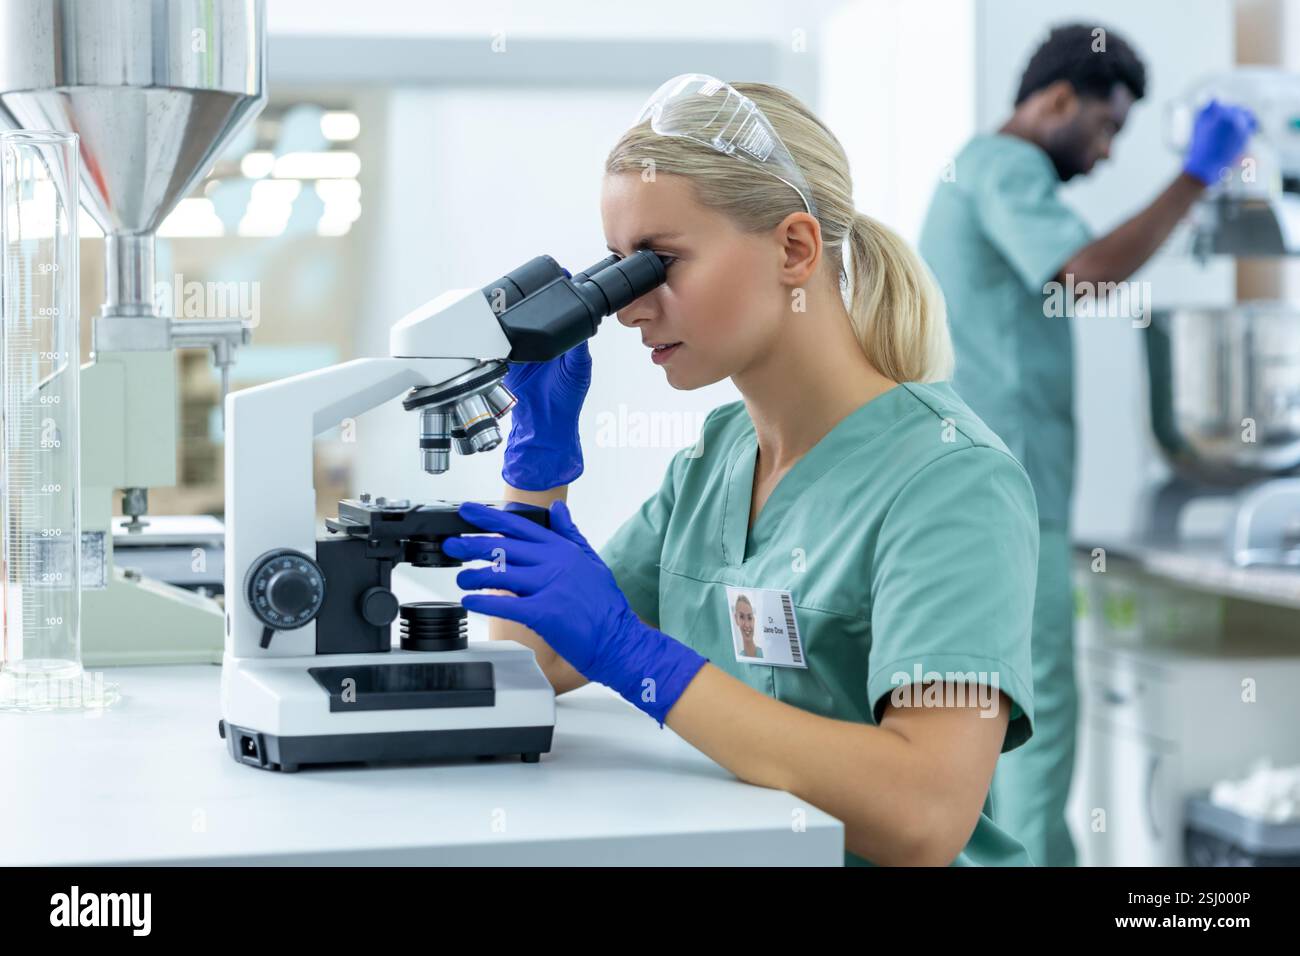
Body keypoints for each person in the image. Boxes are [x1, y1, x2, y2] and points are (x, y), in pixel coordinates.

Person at [442, 74, 1040, 866]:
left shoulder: (951, 483)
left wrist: (642, 657)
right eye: (618, 266)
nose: (627, 307)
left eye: (659, 263)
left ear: (795, 248)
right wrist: (538, 465)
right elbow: (539, 662)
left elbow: (924, 814)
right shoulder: (719, 456)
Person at [916, 23, 1255, 866]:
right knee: (1037, 723)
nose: (1105, 157)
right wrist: (1195, 175)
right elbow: (1087, 274)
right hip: (1009, 503)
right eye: (1106, 128)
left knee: (985, 725)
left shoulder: (973, 171)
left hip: (977, 499)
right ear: (1057, 100)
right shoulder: (1003, 166)